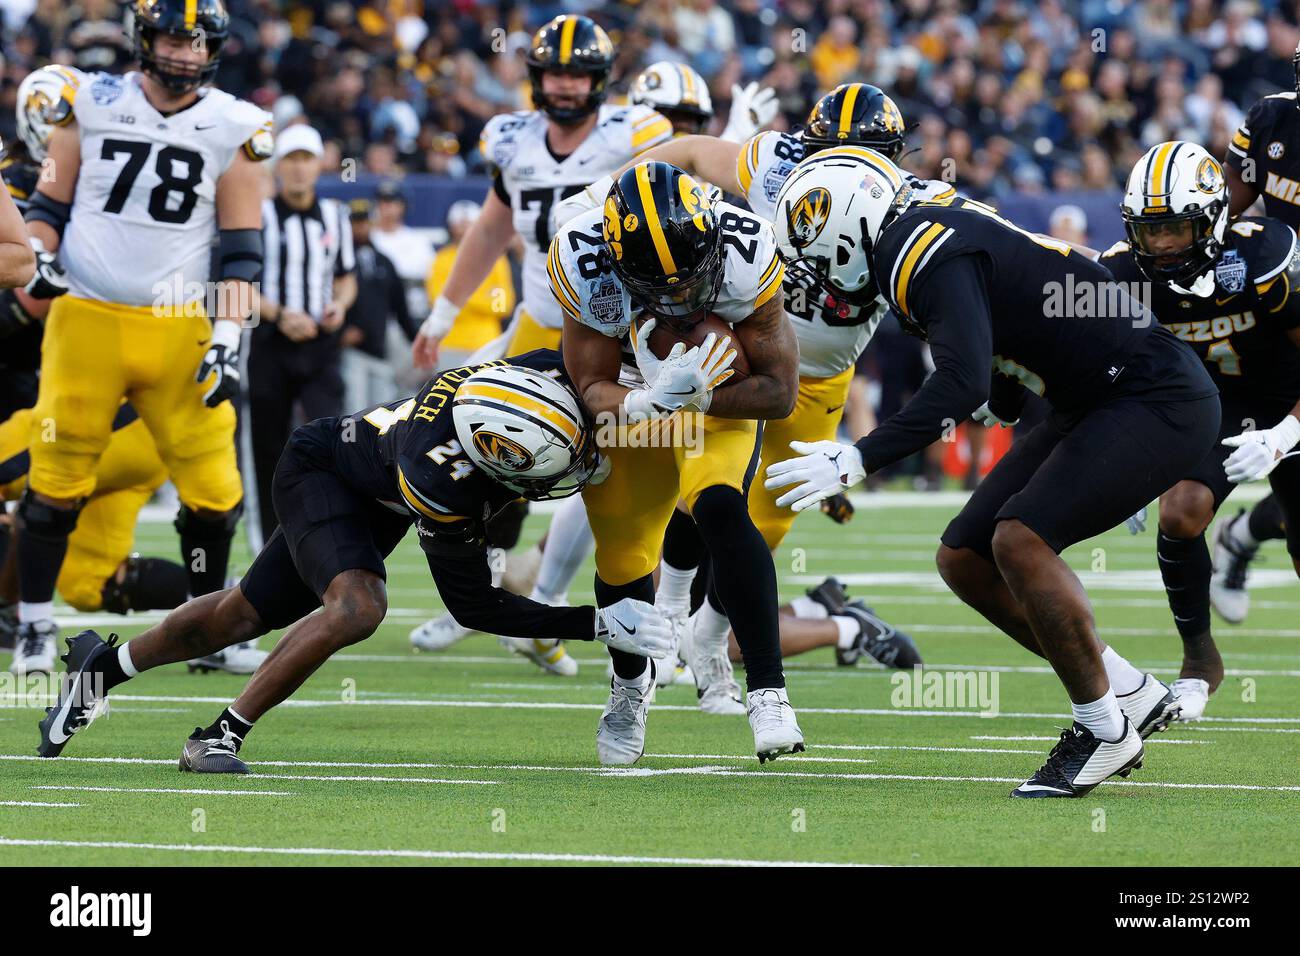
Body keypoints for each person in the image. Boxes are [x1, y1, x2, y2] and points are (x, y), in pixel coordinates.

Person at [764, 146, 1219, 797]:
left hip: (1149, 394)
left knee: (1019, 539)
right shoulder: (919, 235)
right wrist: (1000, 395)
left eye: (816, 260)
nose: (817, 280)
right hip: (1094, 396)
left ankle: (1105, 730)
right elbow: (1001, 359)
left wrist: (857, 455)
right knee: (965, 556)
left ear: (844, 231)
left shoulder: (917, 250)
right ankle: (1127, 691)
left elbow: (961, 379)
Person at [38, 353, 672, 770]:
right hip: (325, 472)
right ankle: (217, 737)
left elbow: (588, 373)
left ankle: (101, 667)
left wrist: (652, 394)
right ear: (496, 458)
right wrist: (594, 623)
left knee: (235, 618)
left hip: (372, 484)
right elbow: (471, 604)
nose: (585, 464)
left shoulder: (527, 386)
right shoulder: (444, 482)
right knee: (358, 607)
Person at [575, 85, 927, 678]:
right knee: (700, 495)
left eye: (864, 158)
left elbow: (998, 245)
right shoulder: (773, 163)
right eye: (832, 154)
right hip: (735, 350)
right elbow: (684, 153)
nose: (847, 170)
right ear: (807, 150)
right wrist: (601, 197)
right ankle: (694, 628)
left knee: (756, 537)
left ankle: (719, 637)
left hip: (814, 385)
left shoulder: (918, 205)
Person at [405, 15, 674, 676]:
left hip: (617, 331)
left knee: (607, 472)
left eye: (577, 73)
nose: (564, 84)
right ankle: (487, 592)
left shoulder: (633, 134)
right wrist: (443, 314)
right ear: (534, 77)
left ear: (600, 79)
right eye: (554, 71)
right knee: (485, 449)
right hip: (536, 321)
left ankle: (556, 606)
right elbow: (493, 230)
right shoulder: (513, 141)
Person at [10, 0, 269, 674]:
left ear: (214, 48)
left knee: (216, 491)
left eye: (197, 42)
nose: (184, 53)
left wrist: (230, 334)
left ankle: (207, 623)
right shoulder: (88, 102)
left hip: (180, 324)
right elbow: (49, 204)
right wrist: (39, 254)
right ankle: (35, 628)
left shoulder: (237, 125)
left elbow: (242, 252)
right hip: (87, 315)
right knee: (57, 477)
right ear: (143, 39)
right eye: (172, 39)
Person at [552, 160, 802, 764]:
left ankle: (770, 692)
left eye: (691, 279)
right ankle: (630, 683)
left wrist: (701, 396)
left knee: (719, 505)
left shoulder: (745, 252)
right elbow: (591, 387)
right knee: (623, 554)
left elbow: (778, 390)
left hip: (716, 390)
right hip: (633, 396)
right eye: (659, 287)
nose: (681, 298)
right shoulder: (583, 258)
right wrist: (647, 400)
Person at [1100, 141, 1300, 722]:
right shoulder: (1118, 275)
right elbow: (1105, 371)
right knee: (1181, 511)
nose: (1160, 244)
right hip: (1210, 406)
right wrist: (1119, 452)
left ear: (1212, 217)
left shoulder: (1265, 255)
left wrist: (1286, 433)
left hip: (1288, 397)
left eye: (1176, 229)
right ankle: (1199, 661)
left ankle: (1247, 537)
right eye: (1150, 229)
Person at [1214, 47, 1300, 621]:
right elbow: (1222, 212)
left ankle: (1241, 534)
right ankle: (1241, 535)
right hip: (1283, 321)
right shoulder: (1273, 118)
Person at [248, 124, 356, 547]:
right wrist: (279, 314)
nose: (297, 168)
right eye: (290, 159)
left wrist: (340, 306)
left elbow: (346, 279)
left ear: (318, 165)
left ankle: (325, 536)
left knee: (327, 438)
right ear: (278, 166)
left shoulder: (335, 216)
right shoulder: (259, 214)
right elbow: (239, 282)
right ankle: (267, 546)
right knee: (267, 446)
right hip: (270, 344)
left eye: (305, 159)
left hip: (320, 345)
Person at [340, 197, 418, 411]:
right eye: (355, 222)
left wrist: (417, 340)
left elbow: (400, 308)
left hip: (380, 348)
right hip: (350, 350)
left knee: (380, 413)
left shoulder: (384, 261)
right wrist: (340, 332)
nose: (360, 227)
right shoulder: (338, 260)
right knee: (353, 412)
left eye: (364, 221)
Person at [424, 199, 513, 370]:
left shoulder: (497, 258)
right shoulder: (441, 259)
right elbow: (438, 302)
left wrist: (459, 295)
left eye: (470, 223)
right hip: (450, 344)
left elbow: (502, 306)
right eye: (460, 223)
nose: (465, 228)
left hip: (487, 343)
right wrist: (482, 294)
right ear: (451, 227)